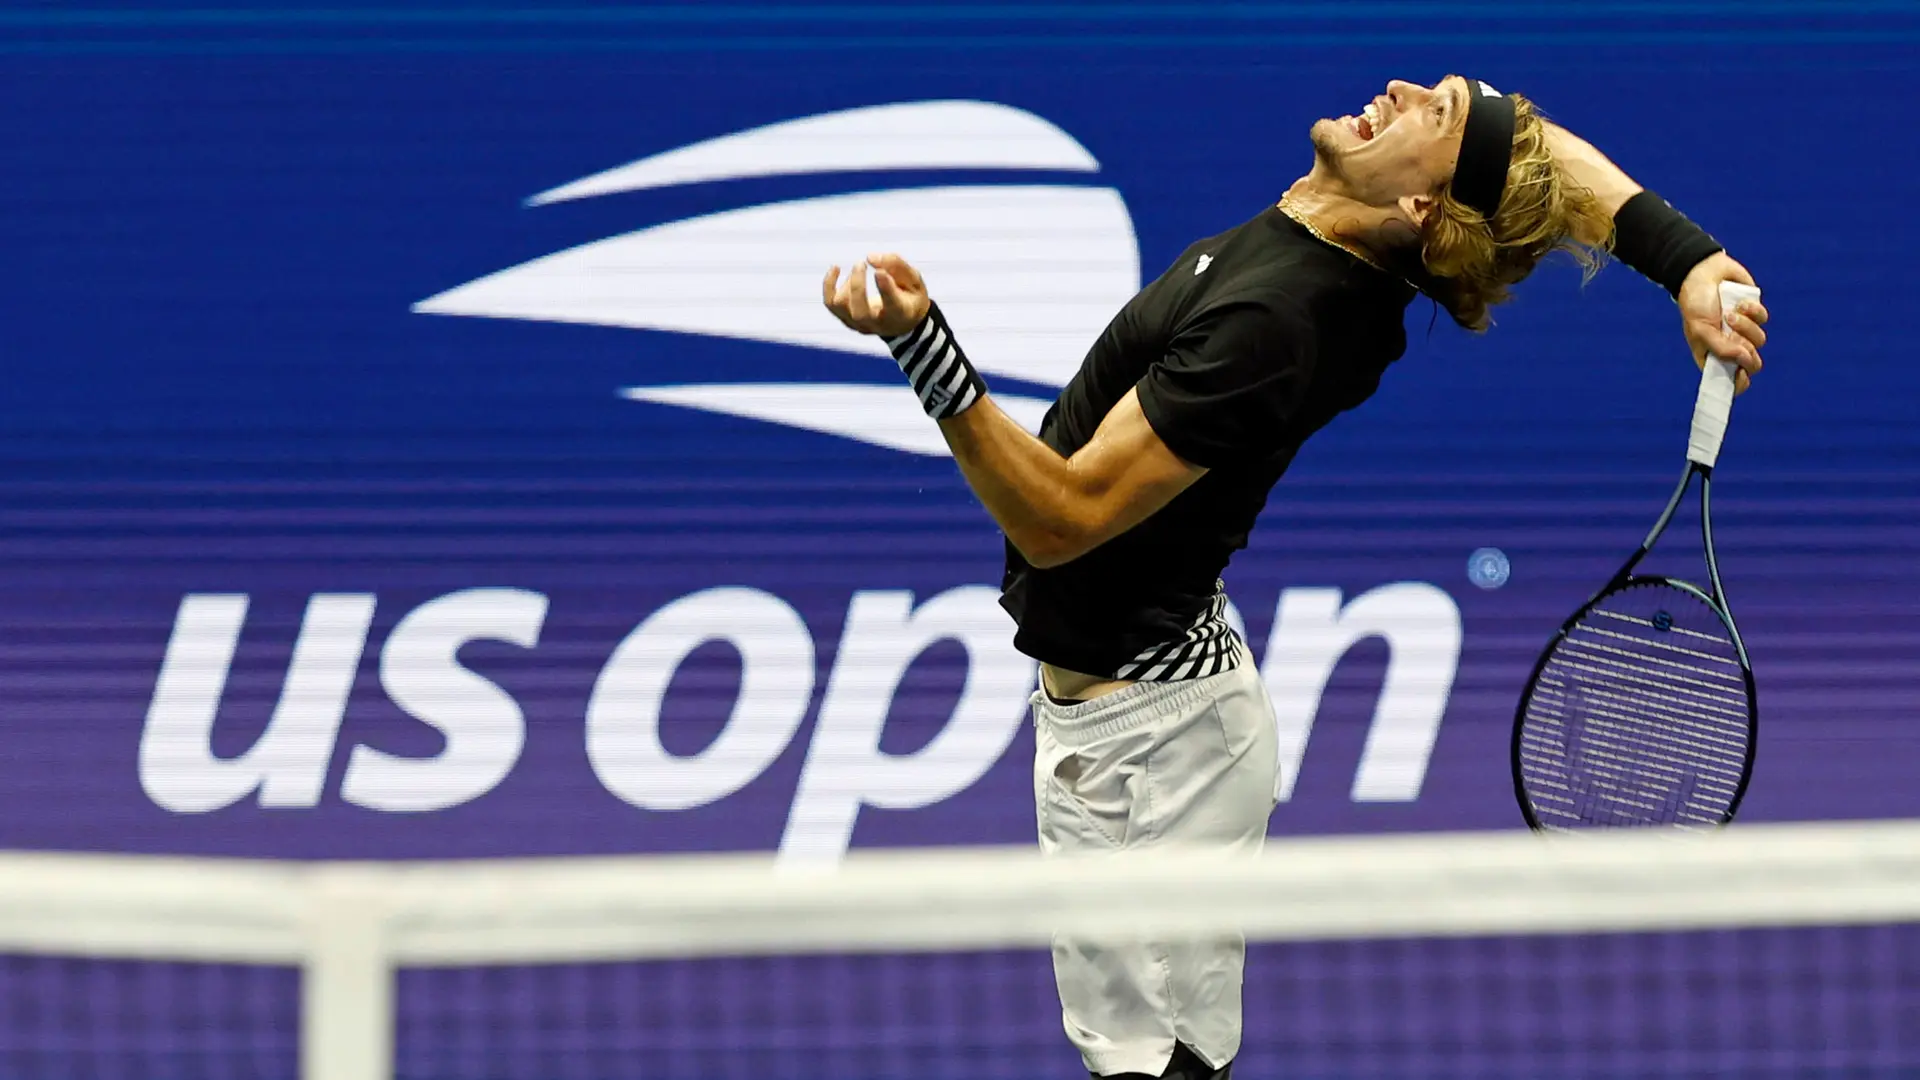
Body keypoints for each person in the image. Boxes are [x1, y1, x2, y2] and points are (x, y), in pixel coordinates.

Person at [822, 75, 1770, 1080]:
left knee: (1156, 1066)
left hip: (1159, 752)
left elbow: (1064, 520)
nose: (1402, 88)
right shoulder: (1339, 233)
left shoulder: (1278, 323)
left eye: (1434, 111)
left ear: (1421, 205)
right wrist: (1686, 259)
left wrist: (922, 348)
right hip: (1117, 719)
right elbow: (1530, 148)